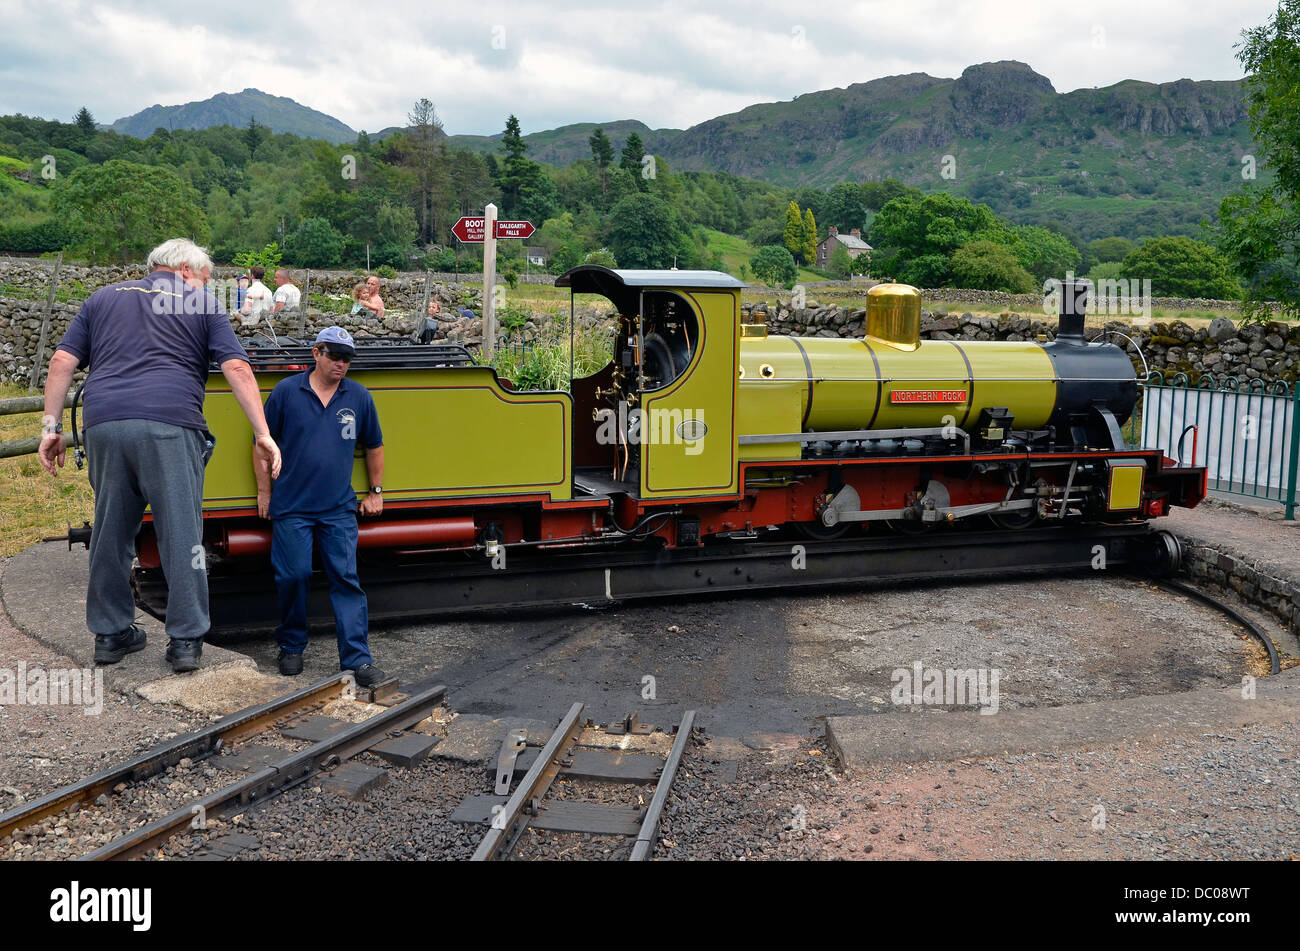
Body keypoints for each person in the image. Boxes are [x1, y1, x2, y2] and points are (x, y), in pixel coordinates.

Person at [38, 238, 282, 673]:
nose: (206, 284)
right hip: (171, 422)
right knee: (182, 534)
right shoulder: (201, 302)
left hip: (105, 424)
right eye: (205, 277)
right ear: (186, 270)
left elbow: (61, 362)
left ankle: (110, 636)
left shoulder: (103, 297)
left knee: (112, 529)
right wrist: (263, 434)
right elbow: (238, 368)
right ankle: (186, 641)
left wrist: (51, 429)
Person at [255, 326, 387, 687]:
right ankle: (292, 646)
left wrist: (375, 491)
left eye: (348, 359)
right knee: (294, 576)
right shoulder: (285, 392)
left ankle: (358, 661)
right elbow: (261, 445)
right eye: (336, 356)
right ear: (317, 353)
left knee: (346, 580)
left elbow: (374, 446)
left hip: (338, 509)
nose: (342, 364)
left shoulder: (359, 397)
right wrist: (264, 492)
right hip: (292, 507)